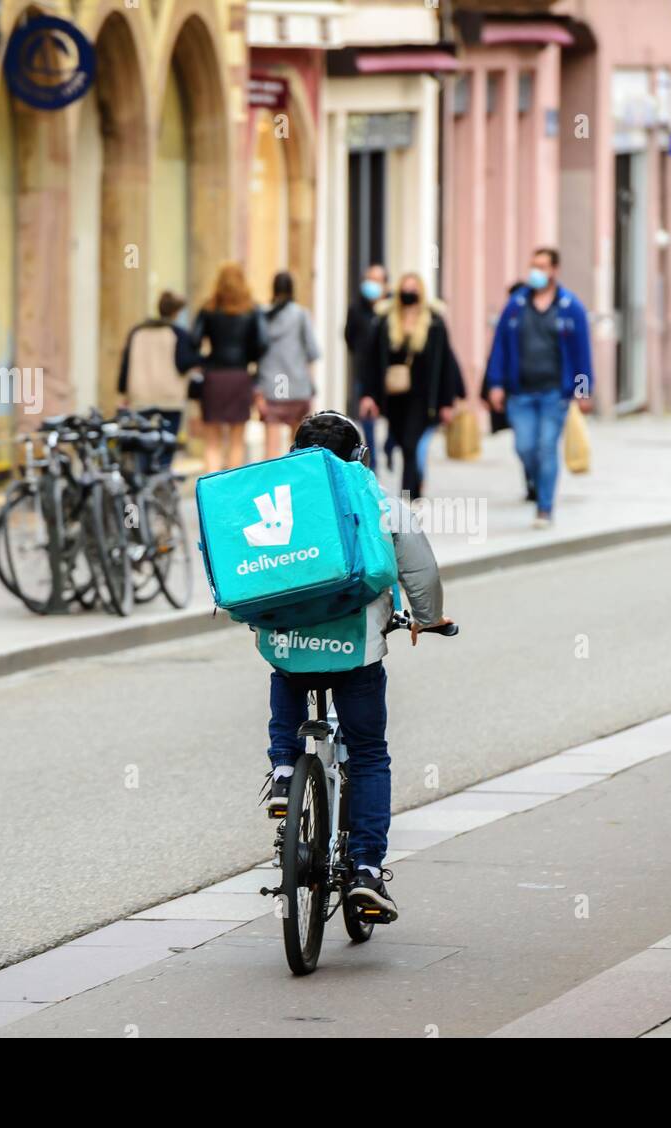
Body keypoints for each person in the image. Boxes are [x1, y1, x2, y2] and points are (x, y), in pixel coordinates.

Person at [262, 410, 453, 919]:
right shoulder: (379, 502)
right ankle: (366, 870)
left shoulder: (277, 500)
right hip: (357, 650)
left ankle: (284, 770)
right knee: (368, 753)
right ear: (359, 458)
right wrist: (428, 619)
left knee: (287, 672)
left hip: (291, 640)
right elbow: (419, 566)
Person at [484, 247, 593, 530]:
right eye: (533, 265)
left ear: (554, 270)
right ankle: (536, 481)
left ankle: (544, 507)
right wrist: (495, 384)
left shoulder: (571, 307)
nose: (536, 272)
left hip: (554, 394)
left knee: (546, 447)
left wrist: (582, 391)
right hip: (520, 393)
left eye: (542, 266)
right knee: (524, 446)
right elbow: (499, 348)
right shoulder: (516, 306)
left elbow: (582, 353)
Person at [358, 272, 464, 502]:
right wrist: (368, 395)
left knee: (410, 444)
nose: (409, 294)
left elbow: (446, 363)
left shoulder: (434, 322)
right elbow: (372, 362)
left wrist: (447, 401)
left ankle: (407, 496)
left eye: (413, 289)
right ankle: (414, 491)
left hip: (423, 396)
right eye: (404, 288)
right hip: (394, 396)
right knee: (400, 441)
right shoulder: (386, 321)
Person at [190, 262, 265, 473]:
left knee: (212, 442)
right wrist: (249, 357)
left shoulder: (208, 308)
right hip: (240, 376)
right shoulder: (252, 309)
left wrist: (205, 360)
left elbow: (194, 341)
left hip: (214, 377)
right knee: (237, 440)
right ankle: (231, 497)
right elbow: (263, 342)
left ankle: (211, 494)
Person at [116, 290, 200, 467]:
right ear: (176, 312)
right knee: (167, 442)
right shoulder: (178, 333)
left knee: (143, 442)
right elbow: (183, 363)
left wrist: (123, 389)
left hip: (141, 396)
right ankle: (161, 477)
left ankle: (145, 477)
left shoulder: (138, 332)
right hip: (169, 397)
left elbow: (126, 364)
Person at [255, 271, 320, 460]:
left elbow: (257, 354)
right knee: (299, 449)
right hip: (297, 388)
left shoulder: (263, 315)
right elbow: (312, 352)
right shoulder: (301, 315)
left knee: (271, 452)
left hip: (273, 388)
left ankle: (273, 486)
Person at [344, 264, 388, 469]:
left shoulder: (391, 309)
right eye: (369, 279)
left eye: (377, 280)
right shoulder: (357, 309)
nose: (372, 284)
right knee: (367, 417)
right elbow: (349, 337)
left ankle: (390, 444)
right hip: (365, 371)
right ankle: (373, 460)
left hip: (389, 374)